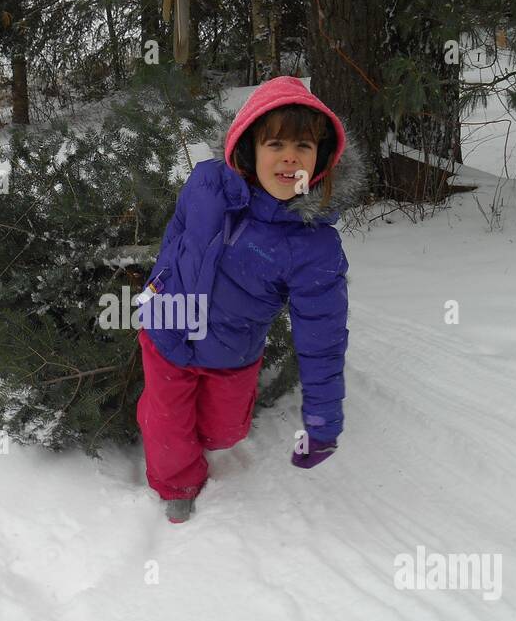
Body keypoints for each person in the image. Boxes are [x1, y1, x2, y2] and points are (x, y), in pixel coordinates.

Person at [135, 75, 362, 523]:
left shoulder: (313, 248)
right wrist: (158, 283)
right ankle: (176, 481)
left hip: (231, 355)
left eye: (304, 146)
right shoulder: (206, 184)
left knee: (223, 433)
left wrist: (323, 421)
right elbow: (176, 234)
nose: (289, 157)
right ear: (248, 150)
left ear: (320, 161)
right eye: (275, 143)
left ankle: (187, 430)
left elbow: (323, 341)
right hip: (168, 327)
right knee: (168, 425)